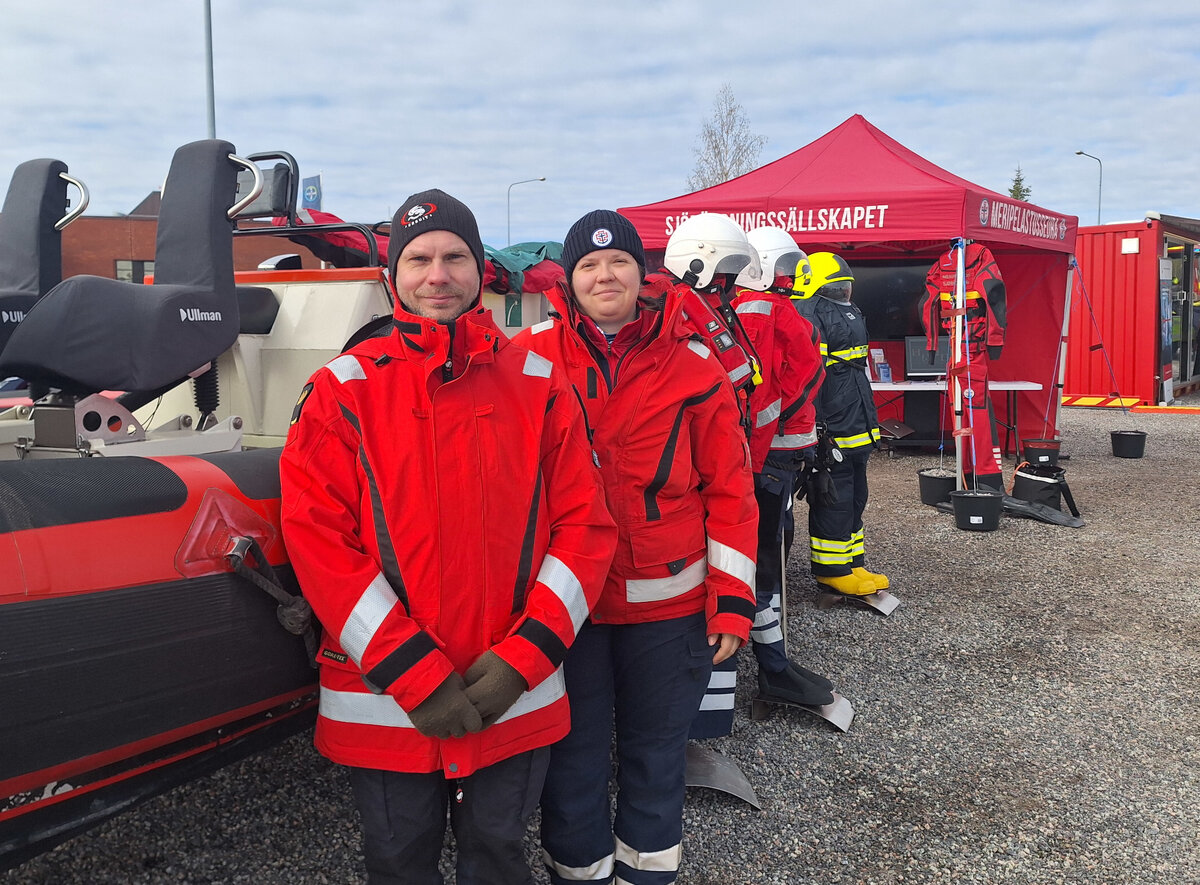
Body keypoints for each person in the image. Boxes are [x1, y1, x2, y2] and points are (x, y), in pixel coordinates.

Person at [279, 189, 616, 885]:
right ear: (392, 275)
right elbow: (318, 541)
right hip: (387, 698)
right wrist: (412, 671)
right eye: (420, 258)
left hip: (513, 689)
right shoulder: (342, 392)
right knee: (399, 860)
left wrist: (526, 656)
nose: (439, 274)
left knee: (498, 852)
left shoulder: (541, 386)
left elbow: (585, 526)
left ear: (480, 270)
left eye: (455, 256)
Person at [515, 210, 757, 885]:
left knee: (656, 753)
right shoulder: (526, 355)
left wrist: (732, 601)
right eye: (588, 265)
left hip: (667, 605)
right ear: (568, 280)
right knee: (573, 751)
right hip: (570, 604)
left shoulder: (695, 365)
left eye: (617, 261)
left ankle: (646, 873)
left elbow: (730, 491)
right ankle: (578, 871)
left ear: (641, 272)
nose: (604, 275)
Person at [727, 227, 836, 709]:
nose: (792, 277)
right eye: (787, 267)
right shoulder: (769, 310)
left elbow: (780, 386)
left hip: (765, 455)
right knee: (764, 556)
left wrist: (758, 437)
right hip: (777, 452)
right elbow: (804, 377)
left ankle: (771, 664)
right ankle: (771, 663)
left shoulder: (757, 310)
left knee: (762, 559)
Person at [792, 252, 888, 596]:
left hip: (855, 417)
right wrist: (818, 430)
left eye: (846, 288)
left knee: (855, 493)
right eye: (837, 289)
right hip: (833, 423)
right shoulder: (809, 315)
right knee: (835, 493)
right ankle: (832, 568)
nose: (845, 295)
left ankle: (852, 560)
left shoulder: (835, 311)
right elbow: (809, 380)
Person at [919, 240, 1008, 490]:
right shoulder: (981, 257)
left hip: (954, 349)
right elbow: (995, 296)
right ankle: (987, 477)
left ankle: (967, 473)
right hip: (971, 351)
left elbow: (926, 304)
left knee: (959, 409)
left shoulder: (942, 262)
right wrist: (995, 342)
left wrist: (932, 345)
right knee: (978, 412)